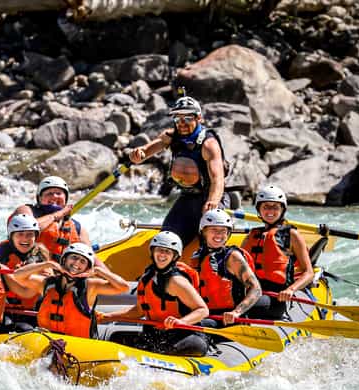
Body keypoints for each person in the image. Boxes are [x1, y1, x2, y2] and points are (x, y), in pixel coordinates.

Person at [129, 95, 229, 251]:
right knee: (166, 242)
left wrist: (213, 201)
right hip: (187, 198)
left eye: (188, 118)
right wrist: (138, 154)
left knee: (211, 241)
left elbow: (218, 180)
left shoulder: (209, 145)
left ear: (199, 118)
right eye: (177, 119)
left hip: (211, 198)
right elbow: (147, 150)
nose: (182, 124)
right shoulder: (171, 136)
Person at [99, 231, 210, 355]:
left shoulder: (177, 282)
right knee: (117, 338)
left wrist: (182, 322)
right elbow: (139, 311)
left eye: (167, 251)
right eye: (159, 250)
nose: (162, 254)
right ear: (152, 252)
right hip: (157, 333)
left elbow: (203, 310)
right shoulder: (148, 277)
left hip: (185, 335)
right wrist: (108, 316)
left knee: (176, 347)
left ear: (174, 256)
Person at [9, 242, 128, 339]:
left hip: (78, 345)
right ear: (64, 259)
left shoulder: (91, 286)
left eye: (82, 261)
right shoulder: (48, 283)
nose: (77, 263)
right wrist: (47, 264)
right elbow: (18, 275)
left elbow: (124, 287)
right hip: (49, 339)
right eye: (74, 257)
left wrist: (99, 271)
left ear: (87, 267)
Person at [240, 185, 314, 319]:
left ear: (282, 209)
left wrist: (290, 290)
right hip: (253, 291)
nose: (270, 211)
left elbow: (308, 273)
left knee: (252, 305)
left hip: (276, 297)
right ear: (259, 210)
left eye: (275, 207)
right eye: (266, 207)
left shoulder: (291, 235)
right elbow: (238, 267)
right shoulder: (252, 235)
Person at [190, 209, 267, 326]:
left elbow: (256, 289)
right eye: (214, 230)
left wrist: (236, 312)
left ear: (228, 234)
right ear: (204, 232)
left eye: (223, 231)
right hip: (205, 314)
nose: (219, 235)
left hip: (229, 319)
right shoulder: (197, 256)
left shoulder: (232, 257)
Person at [0, 213, 50, 328]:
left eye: (30, 234)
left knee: (22, 328)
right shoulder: (1, 250)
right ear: (11, 237)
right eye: (20, 234)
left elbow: (26, 293)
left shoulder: (41, 259)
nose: (25, 239)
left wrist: (4, 271)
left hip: (32, 313)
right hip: (4, 310)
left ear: (36, 236)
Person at [11, 176, 92, 263]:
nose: (54, 196)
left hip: (59, 272)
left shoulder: (77, 227)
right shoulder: (26, 211)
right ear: (40, 198)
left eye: (59, 193)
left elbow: (91, 257)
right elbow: (26, 229)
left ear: (65, 198)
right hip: (26, 268)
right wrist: (57, 215)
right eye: (49, 193)